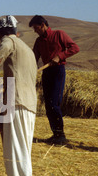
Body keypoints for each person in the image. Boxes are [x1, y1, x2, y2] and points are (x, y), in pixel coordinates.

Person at [0, 16, 38, 176]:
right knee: (21, 149)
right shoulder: (26, 47)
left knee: (16, 150)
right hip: (28, 104)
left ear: (0, 33)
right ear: (16, 29)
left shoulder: (8, 42)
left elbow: (0, 53)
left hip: (17, 103)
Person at [29, 15, 80, 145]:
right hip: (46, 72)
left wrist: (60, 56)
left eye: (36, 28)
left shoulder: (59, 34)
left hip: (58, 71)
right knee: (48, 105)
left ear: (42, 25)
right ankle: (55, 134)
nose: (35, 31)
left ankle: (61, 135)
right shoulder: (39, 41)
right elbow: (33, 58)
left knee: (54, 103)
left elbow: (75, 48)